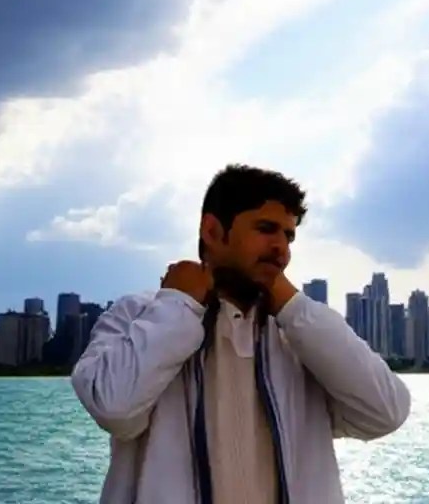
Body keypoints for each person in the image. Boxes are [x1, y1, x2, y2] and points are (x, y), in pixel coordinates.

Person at [71, 164, 411, 503]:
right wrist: (178, 305)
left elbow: (385, 412)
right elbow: (115, 408)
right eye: (266, 229)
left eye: (288, 236)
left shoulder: (299, 337)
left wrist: (292, 307)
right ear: (213, 231)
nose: (282, 248)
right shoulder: (139, 315)